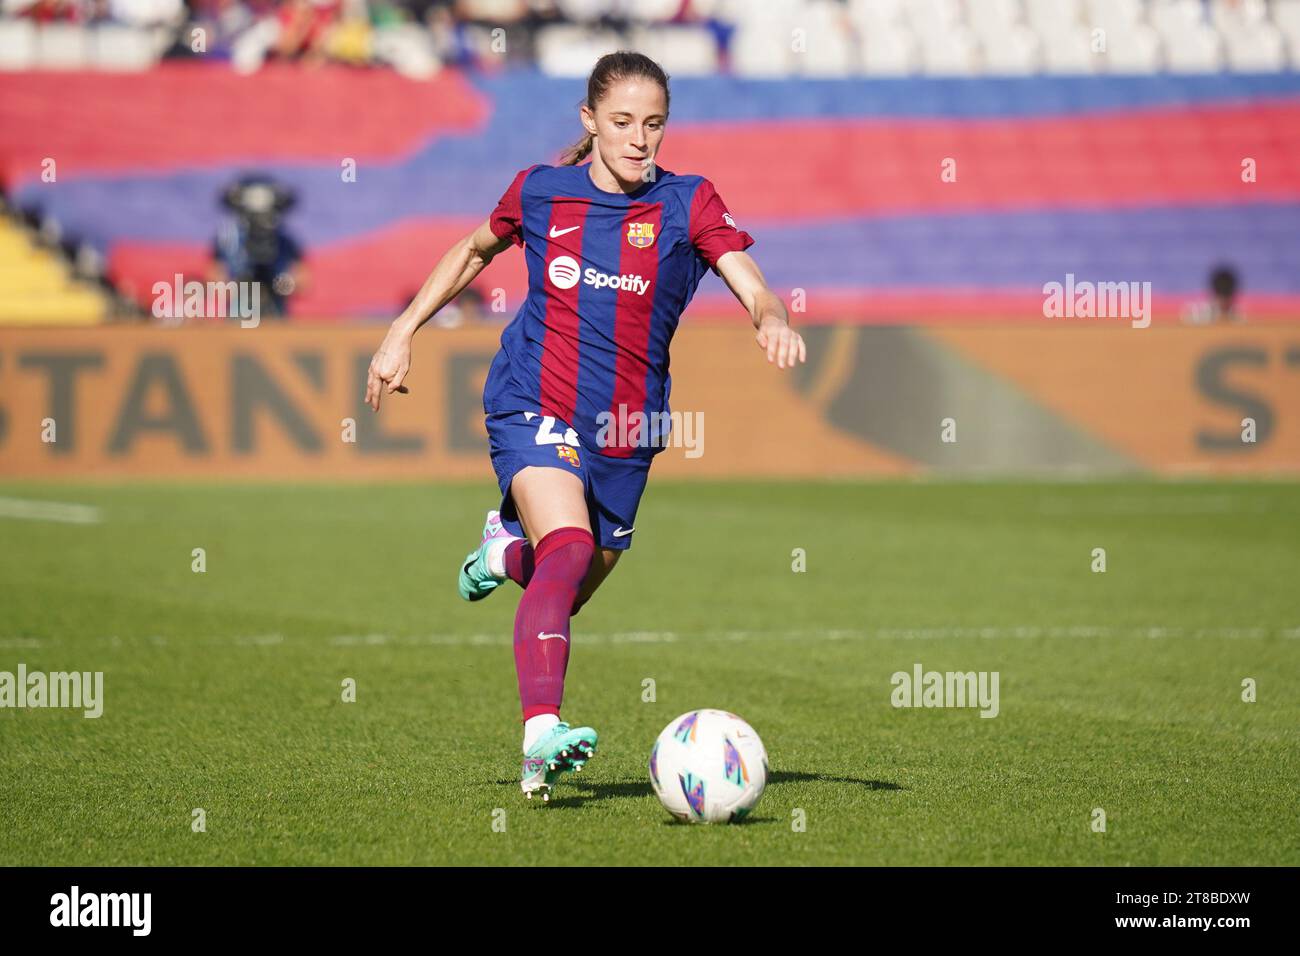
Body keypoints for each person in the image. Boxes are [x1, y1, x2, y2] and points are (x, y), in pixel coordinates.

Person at [364, 51, 806, 802]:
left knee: (564, 584)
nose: (640, 140)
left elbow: (752, 284)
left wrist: (771, 319)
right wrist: (402, 328)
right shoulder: (542, 192)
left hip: (627, 428)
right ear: (590, 121)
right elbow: (474, 248)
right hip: (530, 399)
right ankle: (542, 736)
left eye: (654, 125)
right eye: (624, 122)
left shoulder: (688, 203)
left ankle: (505, 554)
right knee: (566, 546)